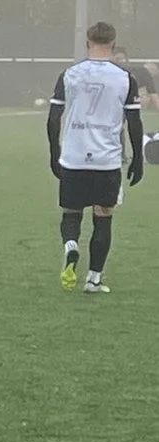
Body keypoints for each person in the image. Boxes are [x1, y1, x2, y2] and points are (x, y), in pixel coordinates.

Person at [49, 20, 144, 293]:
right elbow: (134, 122)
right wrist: (137, 158)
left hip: (74, 157)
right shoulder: (125, 78)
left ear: (87, 44)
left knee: (71, 211)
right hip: (106, 159)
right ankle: (94, 279)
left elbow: (54, 116)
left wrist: (55, 152)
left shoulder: (70, 74)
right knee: (104, 215)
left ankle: (71, 246)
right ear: (113, 46)